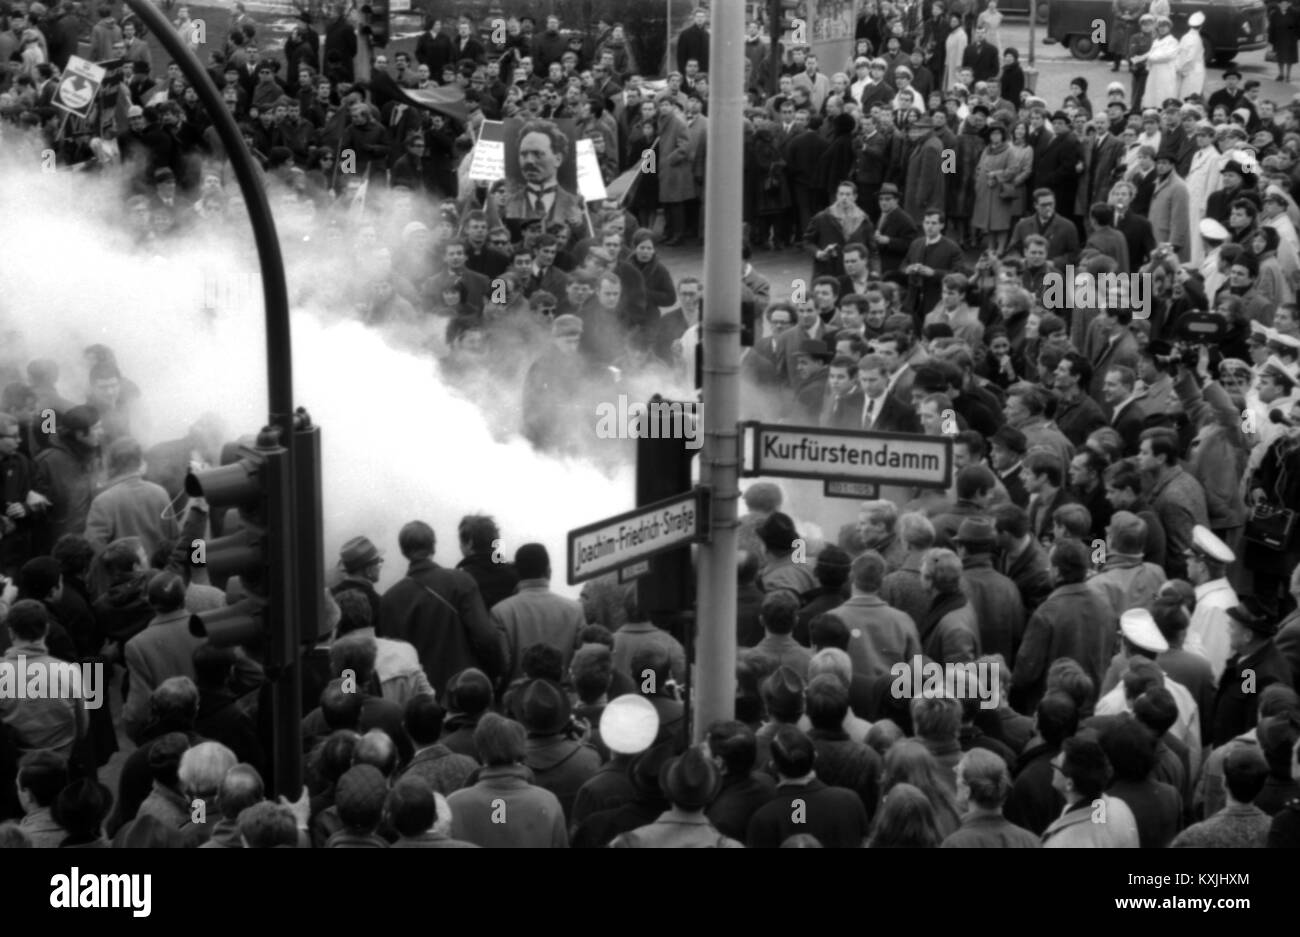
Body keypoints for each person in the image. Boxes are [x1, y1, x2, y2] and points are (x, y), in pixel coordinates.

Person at [503, 119, 587, 233]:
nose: (529, 161)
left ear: (558, 159)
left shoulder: (575, 204)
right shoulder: (507, 204)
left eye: (537, 154)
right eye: (523, 154)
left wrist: (579, 224)